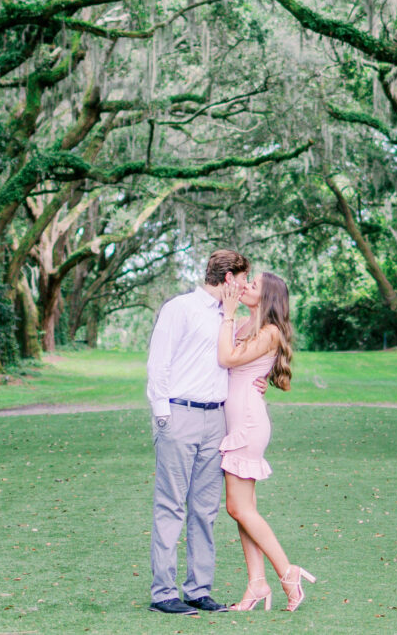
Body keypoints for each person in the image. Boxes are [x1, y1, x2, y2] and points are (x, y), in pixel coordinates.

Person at [146, 249, 249, 614]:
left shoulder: (230, 317)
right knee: (171, 505)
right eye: (243, 279)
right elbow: (158, 364)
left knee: (205, 510)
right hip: (179, 414)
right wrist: (164, 417)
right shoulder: (181, 308)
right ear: (228, 278)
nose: (245, 286)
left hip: (216, 419)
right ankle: (164, 594)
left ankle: (198, 589)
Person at [217, 271, 317, 611]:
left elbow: (227, 359)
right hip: (237, 420)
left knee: (238, 508)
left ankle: (288, 572)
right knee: (243, 511)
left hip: (247, 424)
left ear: (267, 297)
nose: (246, 286)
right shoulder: (248, 325)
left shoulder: (270, 331)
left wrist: (228, 314)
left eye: (253, 284)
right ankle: (257, 584)